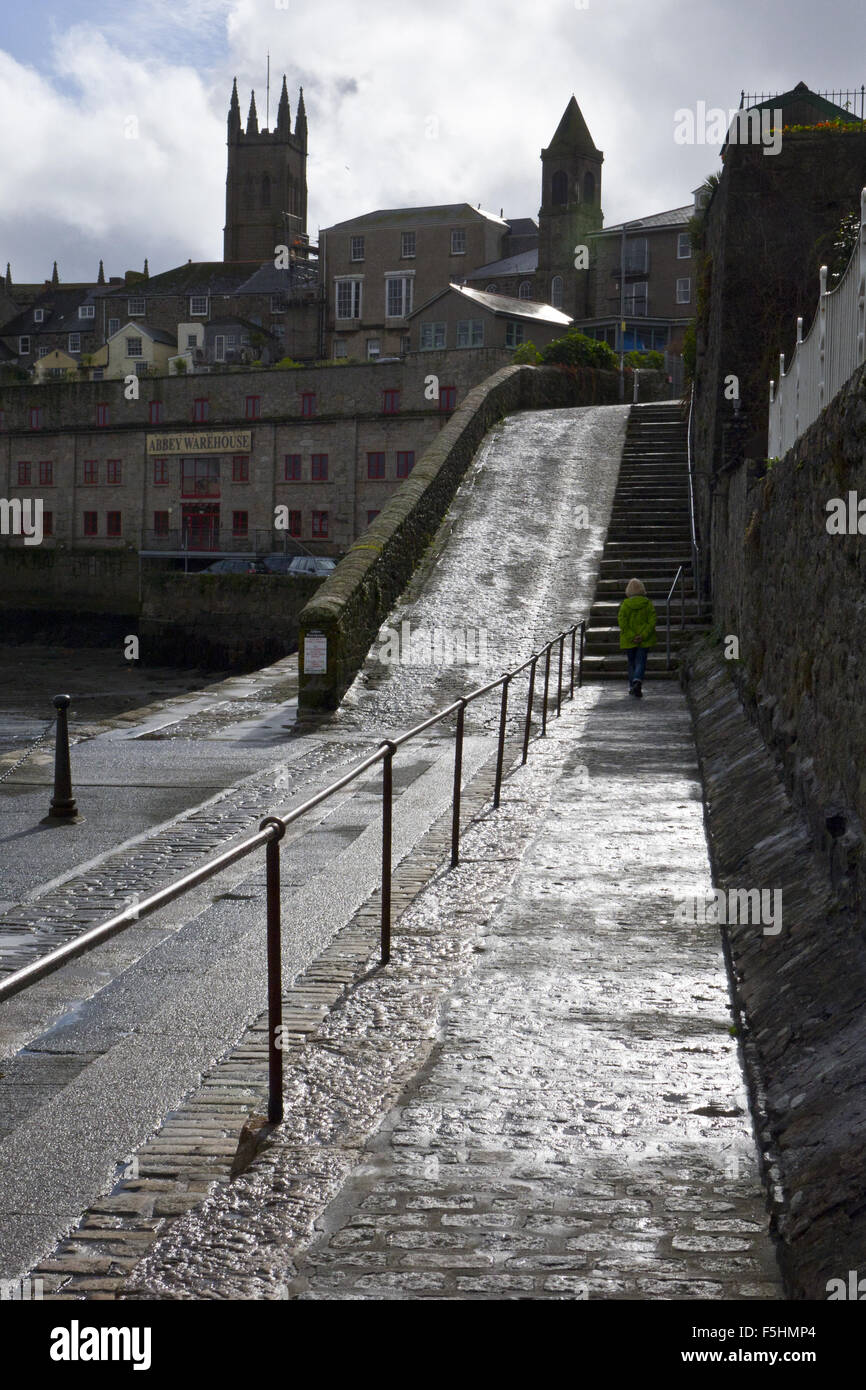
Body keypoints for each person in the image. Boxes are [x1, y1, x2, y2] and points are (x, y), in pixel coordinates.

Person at [617, 577, 657, 698]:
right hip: (644, 640)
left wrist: (632, 636)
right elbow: (652, 621)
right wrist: (642, 636)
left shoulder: (625, 605)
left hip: (629, 640)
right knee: (641, 661)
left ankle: (632, 685)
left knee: (631, 663)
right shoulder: (647, 604)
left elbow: (622, 622)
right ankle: (637, 680)